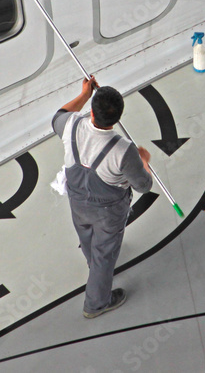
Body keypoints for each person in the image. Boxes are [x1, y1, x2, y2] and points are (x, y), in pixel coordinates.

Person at [53, 76, 153, 318]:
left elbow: (59, 115)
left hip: (77, 200)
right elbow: (144, 185)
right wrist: (144, 161)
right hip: (108, 211)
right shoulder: (123, 149)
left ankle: (91, 261)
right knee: (105, 254)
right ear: (117, 119)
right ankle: (96, 304)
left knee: (85, 232)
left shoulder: (72, 125)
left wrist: (84, 94)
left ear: (91, 110)